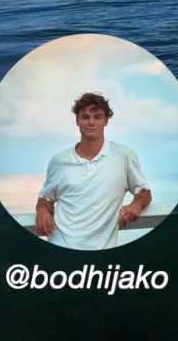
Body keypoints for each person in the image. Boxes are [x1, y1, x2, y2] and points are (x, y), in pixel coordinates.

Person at [34, 92, 152, 250]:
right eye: (85, 117)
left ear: (106, 121)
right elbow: (46, 199)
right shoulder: (59, 161)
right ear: (77, 121)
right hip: (59, 244)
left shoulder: (124, 156)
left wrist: (136, 205)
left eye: (97, 117)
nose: (91, 122)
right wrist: (42, 211)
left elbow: (144, 192)